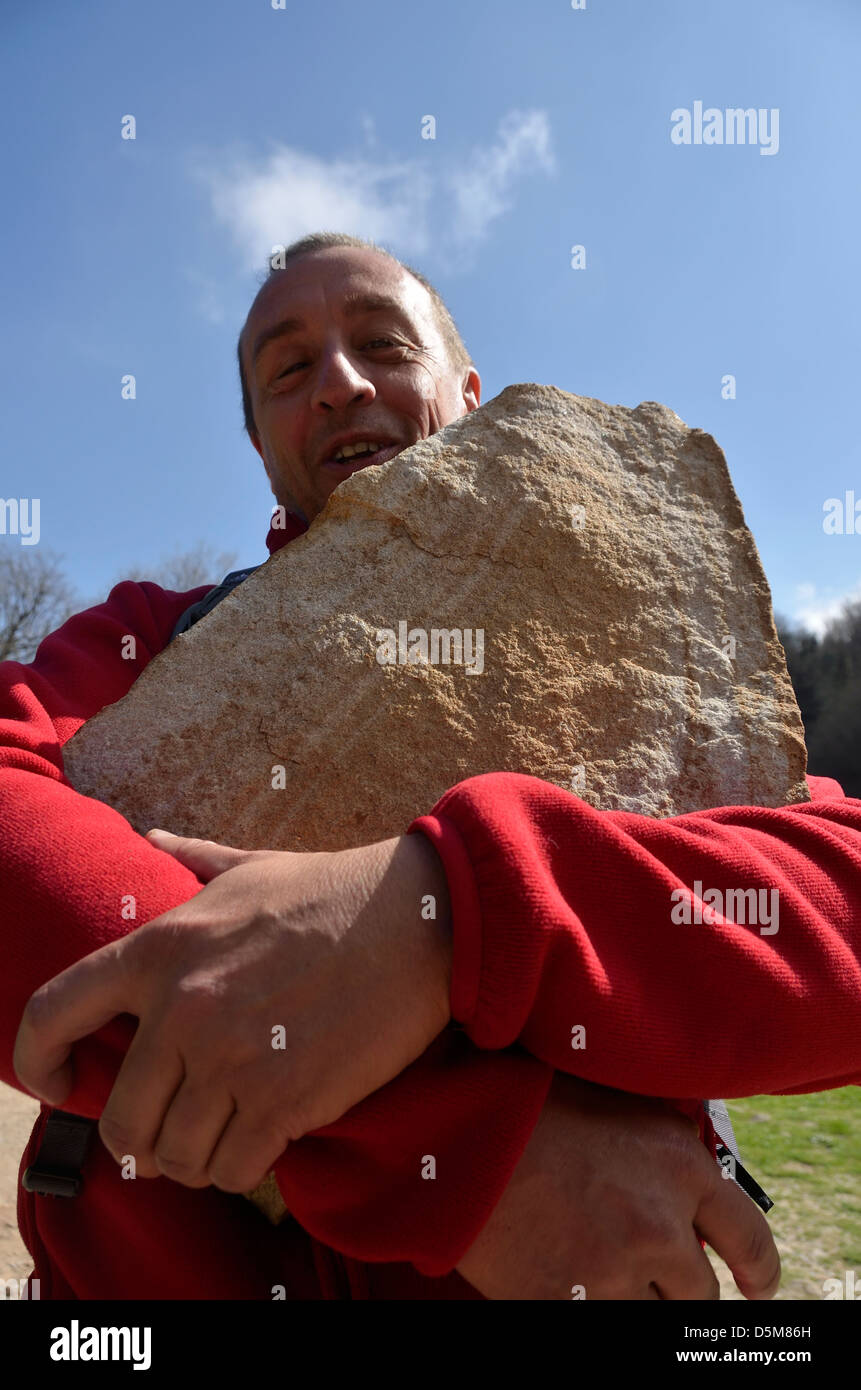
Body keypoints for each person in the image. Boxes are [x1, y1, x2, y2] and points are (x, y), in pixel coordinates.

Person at [4, 233, 859, 1301]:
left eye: (381, 344)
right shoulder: (146, 638)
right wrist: (469, 1157)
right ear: (259, 435)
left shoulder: (628, 641)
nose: (340, 385)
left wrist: (452, 908)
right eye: (288, 368)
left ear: (468, 391)